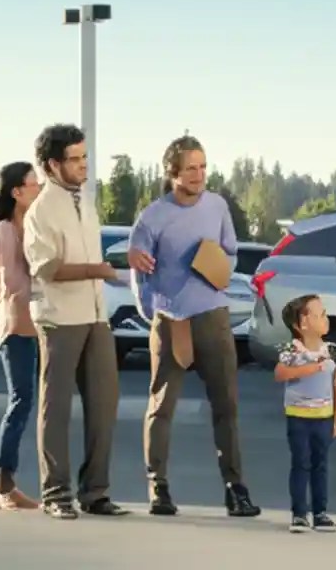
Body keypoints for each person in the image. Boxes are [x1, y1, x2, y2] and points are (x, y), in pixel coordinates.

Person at [127, 135, 260, 518]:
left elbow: (231, 253)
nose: (199, 175)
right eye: (191, 168)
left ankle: (236, 490)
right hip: (172, 321)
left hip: (213, 316)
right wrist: (155, 313)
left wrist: (217, 266)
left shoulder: (217, 207)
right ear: (173, 173)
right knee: (162, 406)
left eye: (203, 167)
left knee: (227, 405)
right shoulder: (153, 217)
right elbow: (140, 274)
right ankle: (159, 488)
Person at [22, 123, 128, 520]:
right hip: (59, 319)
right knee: (57, 408)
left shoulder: (86, 201)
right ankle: (56, 494)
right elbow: (46, 269)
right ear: (52, 164)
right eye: (76, 159)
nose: (84, 165)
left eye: (86, 157)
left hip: (97, 317)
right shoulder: (41, 211)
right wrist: (96, 270)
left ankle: (95, 493)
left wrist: (97, 276)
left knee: (104, 405)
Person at [0, 161, 42, 511]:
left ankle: (13, 486)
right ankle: (5, 486)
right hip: (15, 326)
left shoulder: (31, 225)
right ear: (17, 192)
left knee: (31, 401)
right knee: (20, 401)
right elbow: (10, 285)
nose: (39, 190)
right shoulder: (4, 232)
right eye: (33, 185)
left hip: (36, 324)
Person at [274, 294, 336, 534]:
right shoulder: (291, 350)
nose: (326, 319)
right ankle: (299, 513)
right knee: (300, 463)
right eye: (320, 314)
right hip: (299, 417)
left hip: (323, 417)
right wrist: (310, 368)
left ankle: (320, 512)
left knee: (320, 464)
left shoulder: (331, 351)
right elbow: (280, 373)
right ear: (302, 324)